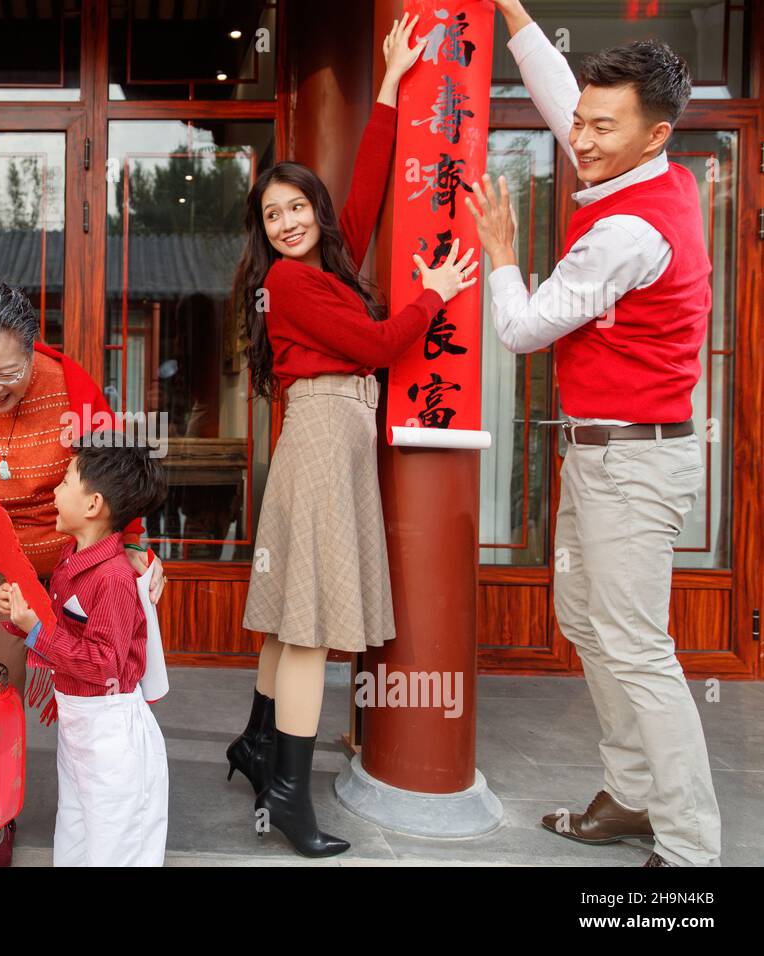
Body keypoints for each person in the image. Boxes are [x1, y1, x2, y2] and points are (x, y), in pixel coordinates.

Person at [470, 0, 720, 868]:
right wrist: (511, 10)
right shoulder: (643, 170)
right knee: (589, 624)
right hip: (602, 452)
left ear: (654, 137)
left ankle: (690, 849)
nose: (580, 136)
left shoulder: (625, 229)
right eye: (582, 121)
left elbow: (523, 329)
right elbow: (559, 94)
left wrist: (501, 251)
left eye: (602, 127)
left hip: (634, 463)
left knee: (639, 650)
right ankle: (631, 796)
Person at [226, 15, 479, 858]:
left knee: (290, 621)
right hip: (323, 438)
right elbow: (375, 346)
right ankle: (290, 798)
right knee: (305, 628)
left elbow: (363, 196)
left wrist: (386, 85)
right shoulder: (293, 284)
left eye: (298, 208)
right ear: (262, 231)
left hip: (329, 437)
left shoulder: (324, 265)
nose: (289, 222)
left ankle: (259, 747)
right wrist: (434, 294)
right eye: (274, 215)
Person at [0, 281, 166, 865]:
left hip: (81, 555)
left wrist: (133, 550)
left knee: (100, 681)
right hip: (0, 561)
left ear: (33, 351)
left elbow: (115, 476)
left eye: (6, 373)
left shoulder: (69, 384)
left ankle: (104, 812)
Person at [0, 440, 170, 866]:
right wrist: (18, 616)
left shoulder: (111, 578)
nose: (53, 492)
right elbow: (58, 627)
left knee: (115, 836)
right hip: (78, 722)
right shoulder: (70, 556)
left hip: (111, 729)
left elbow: (104, 662)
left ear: (93, 504)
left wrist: (35, 632)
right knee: (74, 823)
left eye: (64, 481)